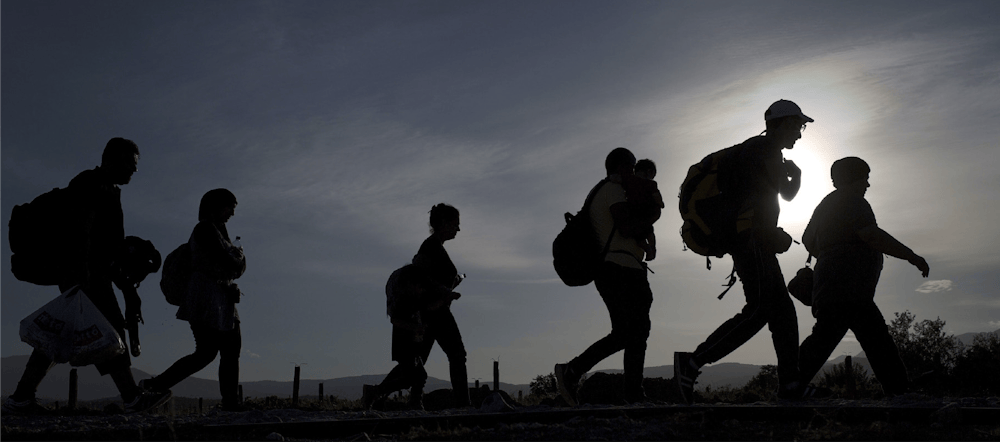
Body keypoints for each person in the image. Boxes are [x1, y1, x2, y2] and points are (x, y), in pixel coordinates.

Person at [4, 138, 172, 414]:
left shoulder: (110, 190)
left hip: (87, 272)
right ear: (111, 159)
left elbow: (108, 246)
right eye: (130, 164)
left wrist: (127, 282)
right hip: (83, 273)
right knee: (110, 328)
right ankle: (131, 397)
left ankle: (20, 398)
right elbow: (79, 232)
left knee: (58, 334)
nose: (133, 171)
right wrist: (81, 279)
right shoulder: (89, 183)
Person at [675, 100, 813, 403]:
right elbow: (754, 201)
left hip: (752, 240)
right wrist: (767, 234)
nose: (800, 134)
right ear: (779, 124)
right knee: (763, 309)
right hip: (751, 241)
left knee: (782, 313)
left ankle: (791, 384)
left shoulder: (763, 152)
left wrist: (797, 177)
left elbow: (782, 195)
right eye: (797, 126)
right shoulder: (761, 151)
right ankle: (693, 362)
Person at [797, 157, 929, 396]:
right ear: (853, 178)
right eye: (864, 178)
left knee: (832, 335)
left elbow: (807, 239)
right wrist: (911, 256)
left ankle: (792, 383)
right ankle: (899, 392)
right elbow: (871, 235)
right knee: (873, 337)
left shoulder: (825, 204)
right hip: (849, 287)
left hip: (831, 284)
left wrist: (828, 256)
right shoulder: (853, 201)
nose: (867, 184)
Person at [555, 147, 653, 405]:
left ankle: (631, 393)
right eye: (631, 166)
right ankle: (576, 372)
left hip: (627, 269)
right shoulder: (611, 190)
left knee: (633, 333)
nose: (634, 171)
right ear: (620, 166)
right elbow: (625, 225)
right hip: (616, 269)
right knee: (631, 332)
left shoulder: (612, 191)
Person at [139, 189, 247, 411]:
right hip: (205, 299)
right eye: (229, 208)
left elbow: (231, 267)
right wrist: (240, 258)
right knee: (210, 352)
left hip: (219, 298)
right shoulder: (205, 230)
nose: (232, 214)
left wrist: (236, 265)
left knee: (222, 349)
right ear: (217, 206)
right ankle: (154, 385)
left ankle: (229, 402)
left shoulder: (218, 232)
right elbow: (230, 264)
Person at [363, 204, 471, 409]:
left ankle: (378, 393)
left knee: (416, 364)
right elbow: (422, 278)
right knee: (456, 355)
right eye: (455, 224)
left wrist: (448, 285)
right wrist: (444, 291)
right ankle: (463, 405)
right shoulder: (430, 247)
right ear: (443, 223)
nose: (458, 229)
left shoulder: (433, 246)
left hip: (431, 312)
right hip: (434, 312)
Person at [361, 264, 460, 410]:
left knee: (419, 376)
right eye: (419, 286)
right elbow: (395, 320)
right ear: (410, 284)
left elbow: (428, 307)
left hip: (412, 345)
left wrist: (445, 299)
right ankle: (376, 392)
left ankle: (413, 401)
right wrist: (415, 328)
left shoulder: (415, 300)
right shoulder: (403, 302)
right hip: (404, 345)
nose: (422, 289)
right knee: (412, 378)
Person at [618, 158, 664, 261]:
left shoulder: (629, 180)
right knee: (648, 232)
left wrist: (613, 178)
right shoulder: (651, 184)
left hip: (634, 211)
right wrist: (661, 204)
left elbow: (619, 180)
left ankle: (648, 248)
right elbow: (657, 196)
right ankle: (652, 248)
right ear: (649, 172)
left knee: (639, 236)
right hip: (646, 211)